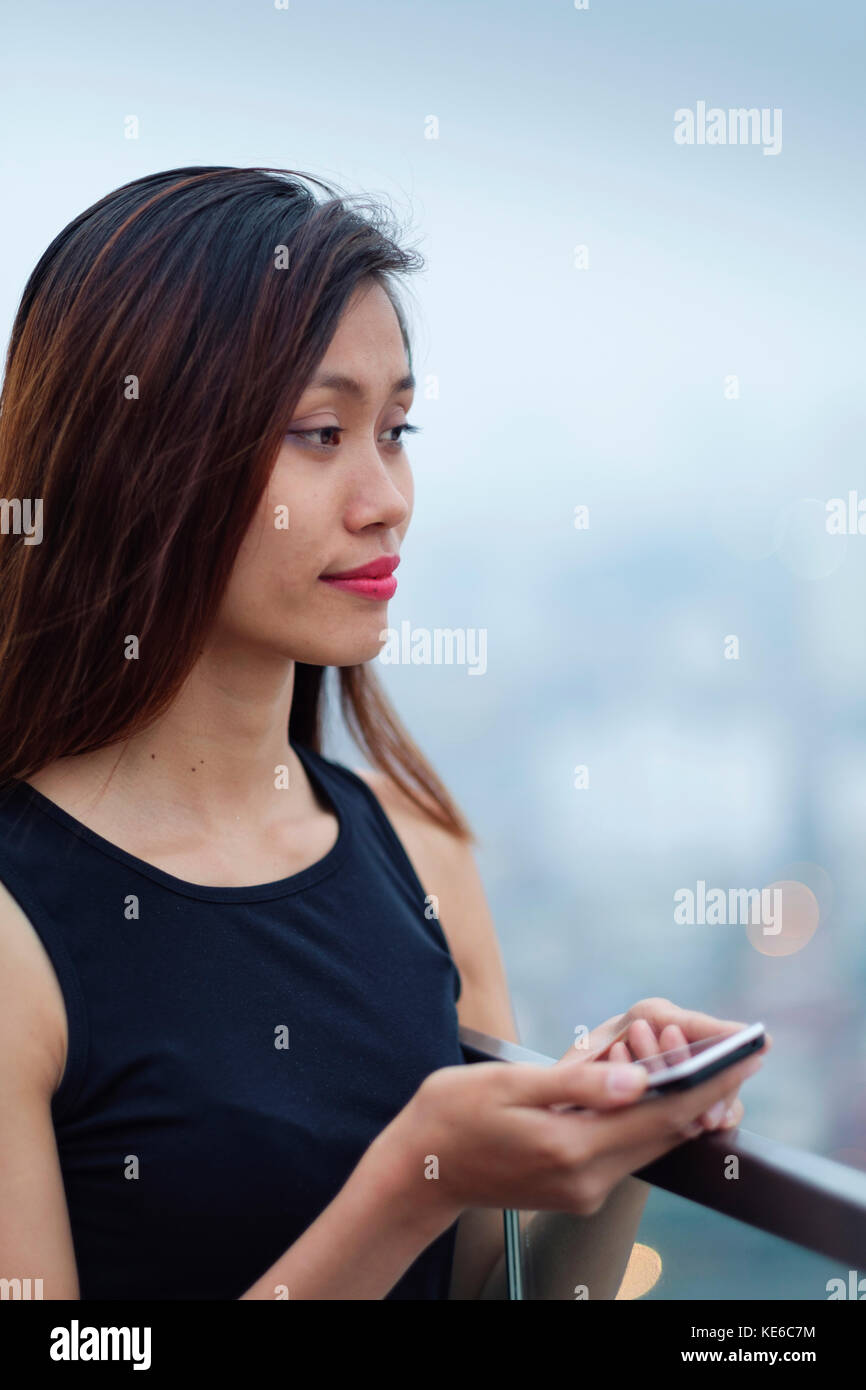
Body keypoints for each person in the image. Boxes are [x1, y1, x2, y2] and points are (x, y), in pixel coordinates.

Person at [0, 166, 768, 1300]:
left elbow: (506, 1299)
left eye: (396, 429)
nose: (387, 496)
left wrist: (617, 1143)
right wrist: (411, 1183)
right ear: (137, 460)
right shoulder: (19, 932)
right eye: (320, 433)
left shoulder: (418, 852)